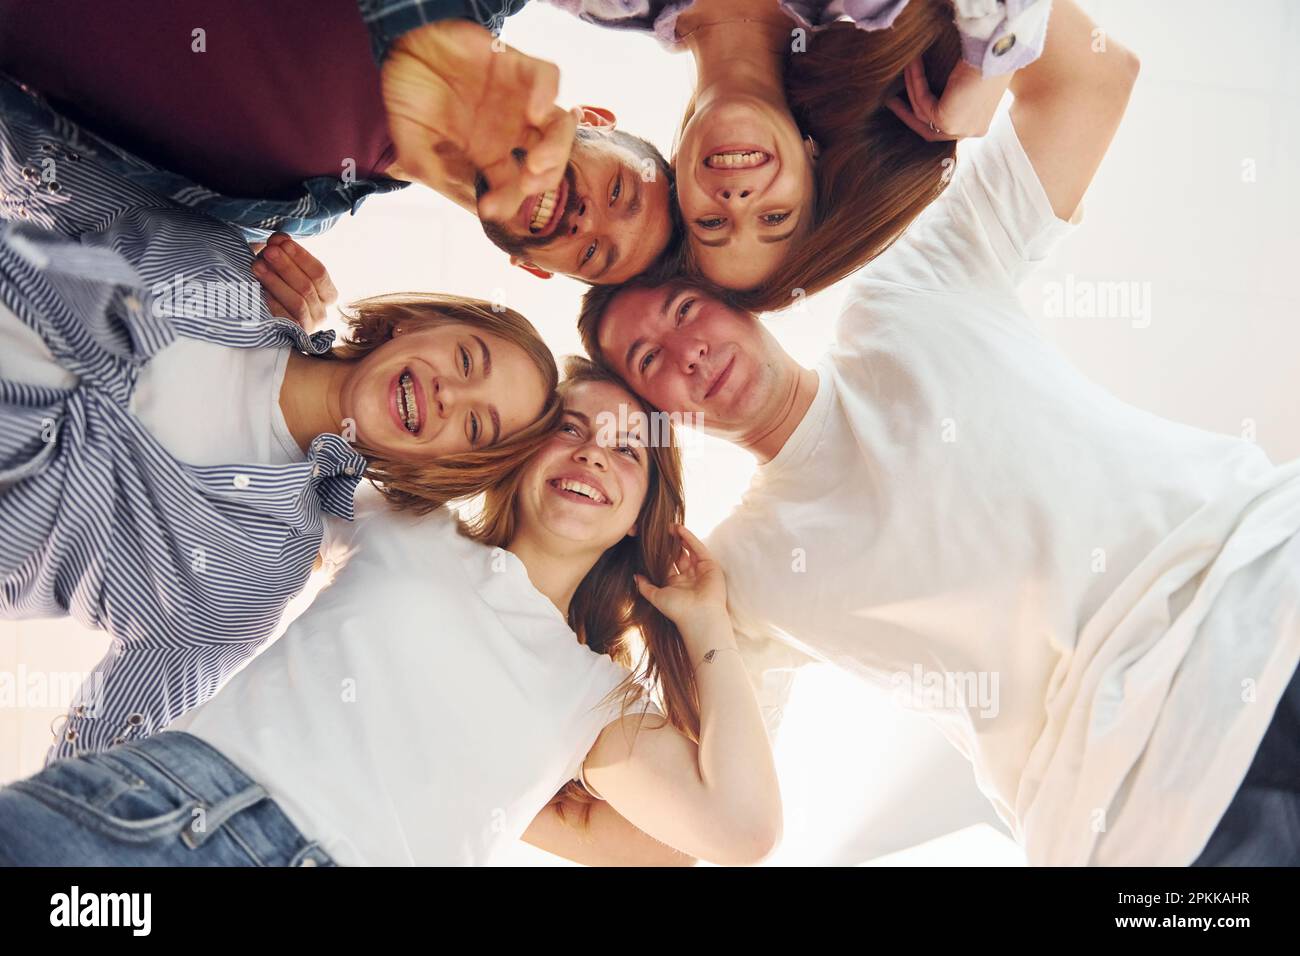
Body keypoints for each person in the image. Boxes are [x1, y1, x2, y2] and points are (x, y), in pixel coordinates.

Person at [573, 1, 1300, 866]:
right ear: (661, 419)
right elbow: (707, 831)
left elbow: (1097, 76)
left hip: (1268, 588)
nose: (686, 353)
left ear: (743, 297)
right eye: (649, 360)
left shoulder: (912, 287)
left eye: (686, 309)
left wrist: (988, 63)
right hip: (1139, 814)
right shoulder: (737, 577)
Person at [0, 359, 782, 867]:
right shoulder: (409, 520)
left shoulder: (593, 699)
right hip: (163, 808)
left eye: (625, 451)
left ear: (646, 505)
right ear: (523, 452)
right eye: (568, 429)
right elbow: (255, 454)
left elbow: (736, 832)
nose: (590, 454)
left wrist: (706, 622)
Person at [0, 73, 562, 763]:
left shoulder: (256, 578)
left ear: (442, 469)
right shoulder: (224, 260)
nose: (452, 396)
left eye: (478, 428)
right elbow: (31, 161)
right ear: (419, 324)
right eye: (469, 360)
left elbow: (97, 764)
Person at [0, 1, 681, 284]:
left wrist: (273, 328)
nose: (585, 218)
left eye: (593, 253)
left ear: (537, 269)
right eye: (617, 190)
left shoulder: (279, 216)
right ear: (592, 117)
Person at [548, 0, 1050, 306]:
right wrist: (989, 63)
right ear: (812, 161)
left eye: (712, 224)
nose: (738, 200)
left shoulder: (607, 4)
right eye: (774, 216)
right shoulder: (863, 8)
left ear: (675, 178)